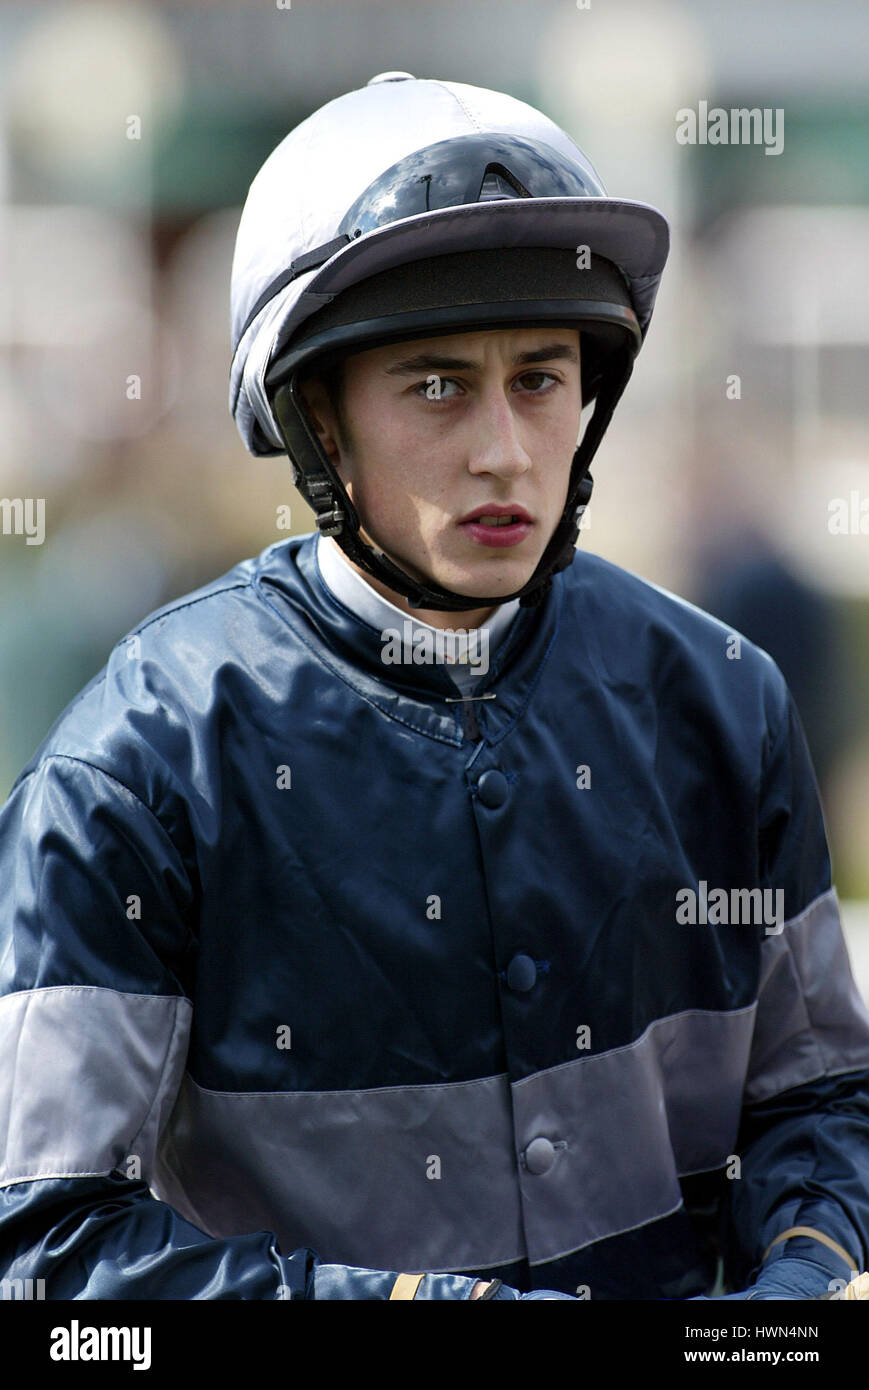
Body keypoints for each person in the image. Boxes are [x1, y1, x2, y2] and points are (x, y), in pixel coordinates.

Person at [1, 72, 868, 1303]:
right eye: (435, 385)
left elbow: (822, 1094)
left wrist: (802, 1279)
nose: (503, 447)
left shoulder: (723, 699)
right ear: (318, 418)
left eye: (539, 376)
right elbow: (44, 1259)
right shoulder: (134, 767)